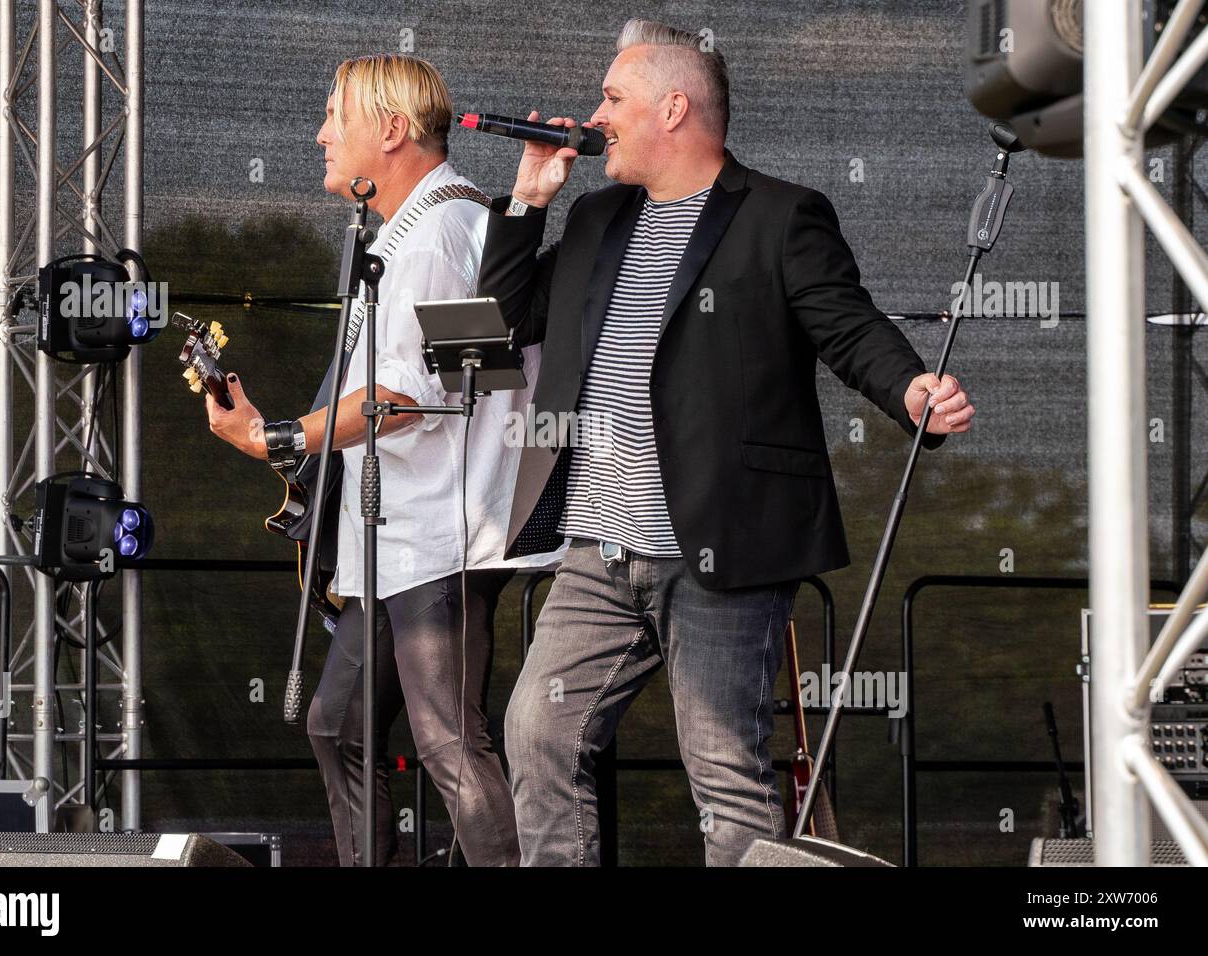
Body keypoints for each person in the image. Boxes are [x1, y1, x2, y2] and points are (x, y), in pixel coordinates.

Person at [477, 18, 974, 866]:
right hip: (600, 546)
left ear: (673, 108)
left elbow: (848, 329)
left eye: (613, 98)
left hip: (721, 547)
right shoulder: (598, 217)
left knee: (724, 772)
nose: (595, 116)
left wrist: (910, 386)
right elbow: (504, 321)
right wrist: (529, 199)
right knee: (537, 735)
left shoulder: (780, 216)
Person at [206, 54, 557, 866]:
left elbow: (417, 398)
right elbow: (424, 382)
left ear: (393, 130)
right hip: (400, 537)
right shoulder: (405, 232)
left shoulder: (443, 231)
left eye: (337, 115)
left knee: (448, 742)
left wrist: (275, 438)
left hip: (445, 535)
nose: (322, 134)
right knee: (338, 724)